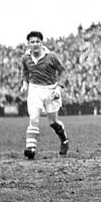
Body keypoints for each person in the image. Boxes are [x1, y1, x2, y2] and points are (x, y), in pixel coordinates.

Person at [20, 31, 69, 160]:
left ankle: (64, 140)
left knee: (53, 122)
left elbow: (63, 71)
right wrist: (25, 84)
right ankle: (31, 148)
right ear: (28, 44)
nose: (35, 44)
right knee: (34, 118)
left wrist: (59, 87)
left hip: (51, 90)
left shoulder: (51, 56)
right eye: (32, 42)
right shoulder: (25, 58)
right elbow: (25, 71)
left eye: (37, 41)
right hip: (35, 89)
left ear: (42, 43)